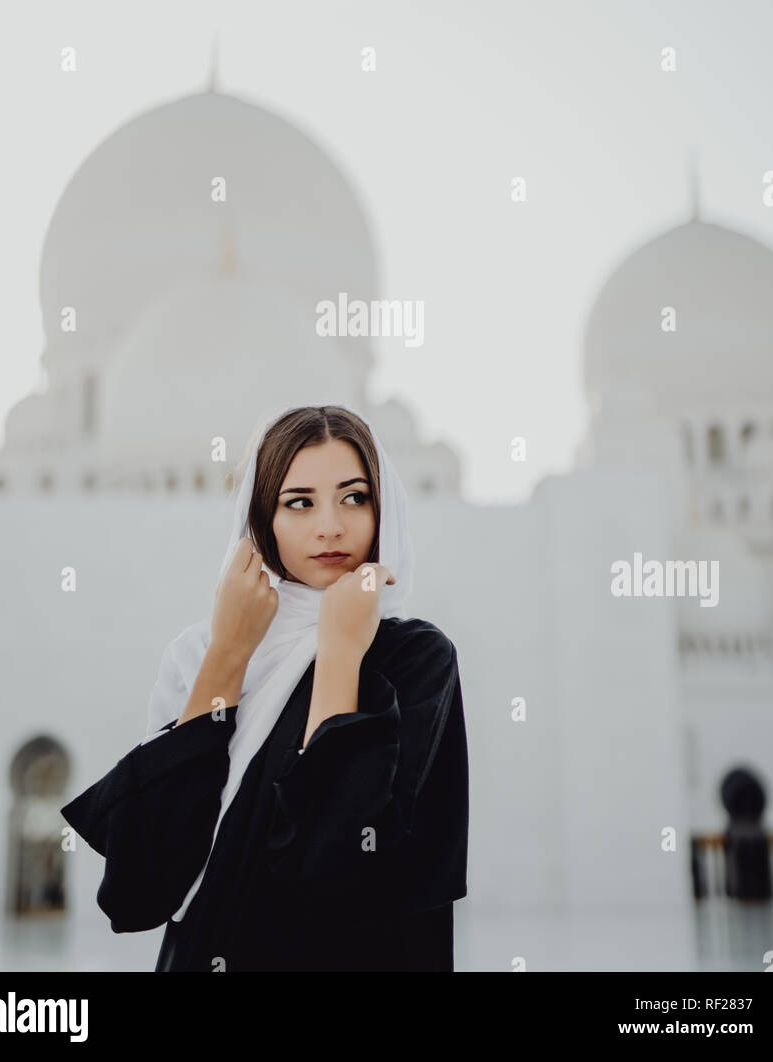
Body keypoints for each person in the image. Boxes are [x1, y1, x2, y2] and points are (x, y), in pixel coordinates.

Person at [60, 403, 469, 972]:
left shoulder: (416, 660)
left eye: (354, 497)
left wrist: (341, 652)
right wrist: (229, 652)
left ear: (384, 511)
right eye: (298, 502)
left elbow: (335, 866)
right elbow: (140, 888)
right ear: (260, 522)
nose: (330, 524)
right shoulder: (198, 656)